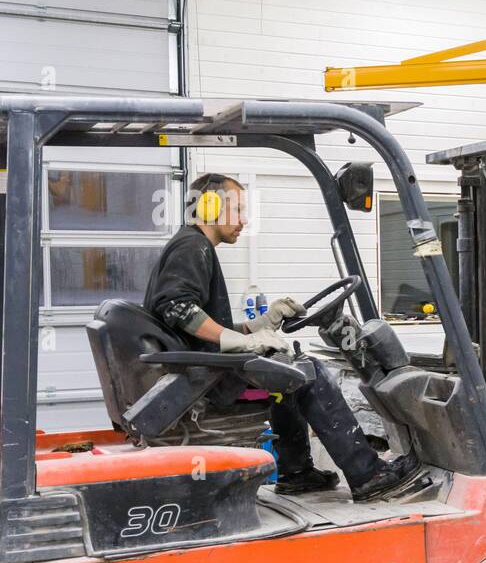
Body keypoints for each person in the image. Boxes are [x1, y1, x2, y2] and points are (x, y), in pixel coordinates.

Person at [143, 173, 420, 501]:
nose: (244, 220)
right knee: (310, 371)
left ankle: (298, 472)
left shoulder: (192, 245)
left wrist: (264, 322)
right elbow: (176, 308)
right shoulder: (193, 245)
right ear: (209, 205)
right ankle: (368, 474)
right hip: (204, 380)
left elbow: (207, 330)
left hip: (203, 371)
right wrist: (246, 343)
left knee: (286, 373)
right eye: (238, 209)